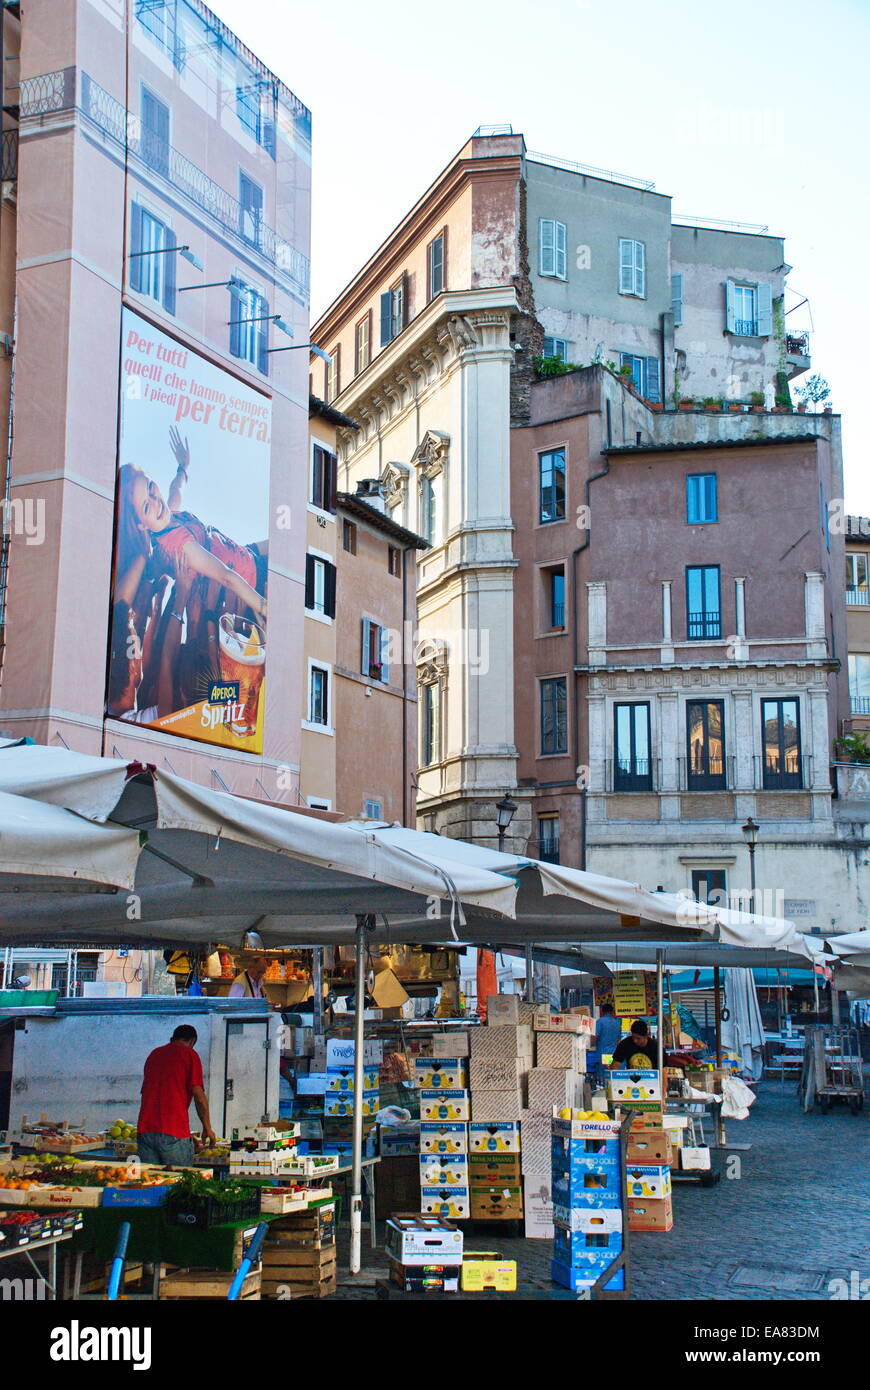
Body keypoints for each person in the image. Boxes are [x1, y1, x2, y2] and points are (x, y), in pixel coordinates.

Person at [137, 1024, 215, 1165]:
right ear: (192, 1041)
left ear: (172, 1038)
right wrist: (207, 1128)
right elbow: (198, 1095)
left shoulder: (154, 1055)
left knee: (151, 1181)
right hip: (173, 1131)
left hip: (145, 1130)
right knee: (180, 1181)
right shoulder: (189, 1055)